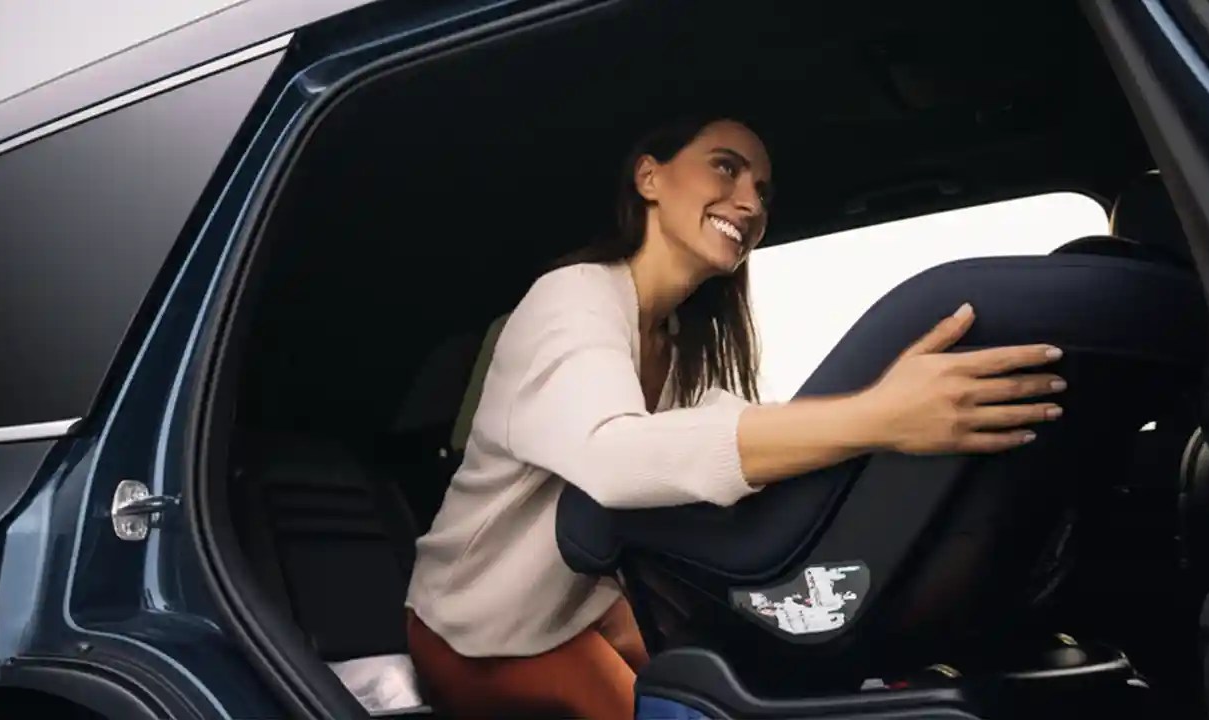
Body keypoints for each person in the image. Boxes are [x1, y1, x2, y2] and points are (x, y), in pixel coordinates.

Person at [403, 116, 1067, 719]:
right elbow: (613, 458)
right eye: (726, 166)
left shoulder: (691, 339)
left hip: (584, 607)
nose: (750, 203)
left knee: (751, 677)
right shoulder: (570, 298)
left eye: (764, 190)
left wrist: (894, 429)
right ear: (649, 177)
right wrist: (877, 417)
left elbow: (735, 444)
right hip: (480, 627)